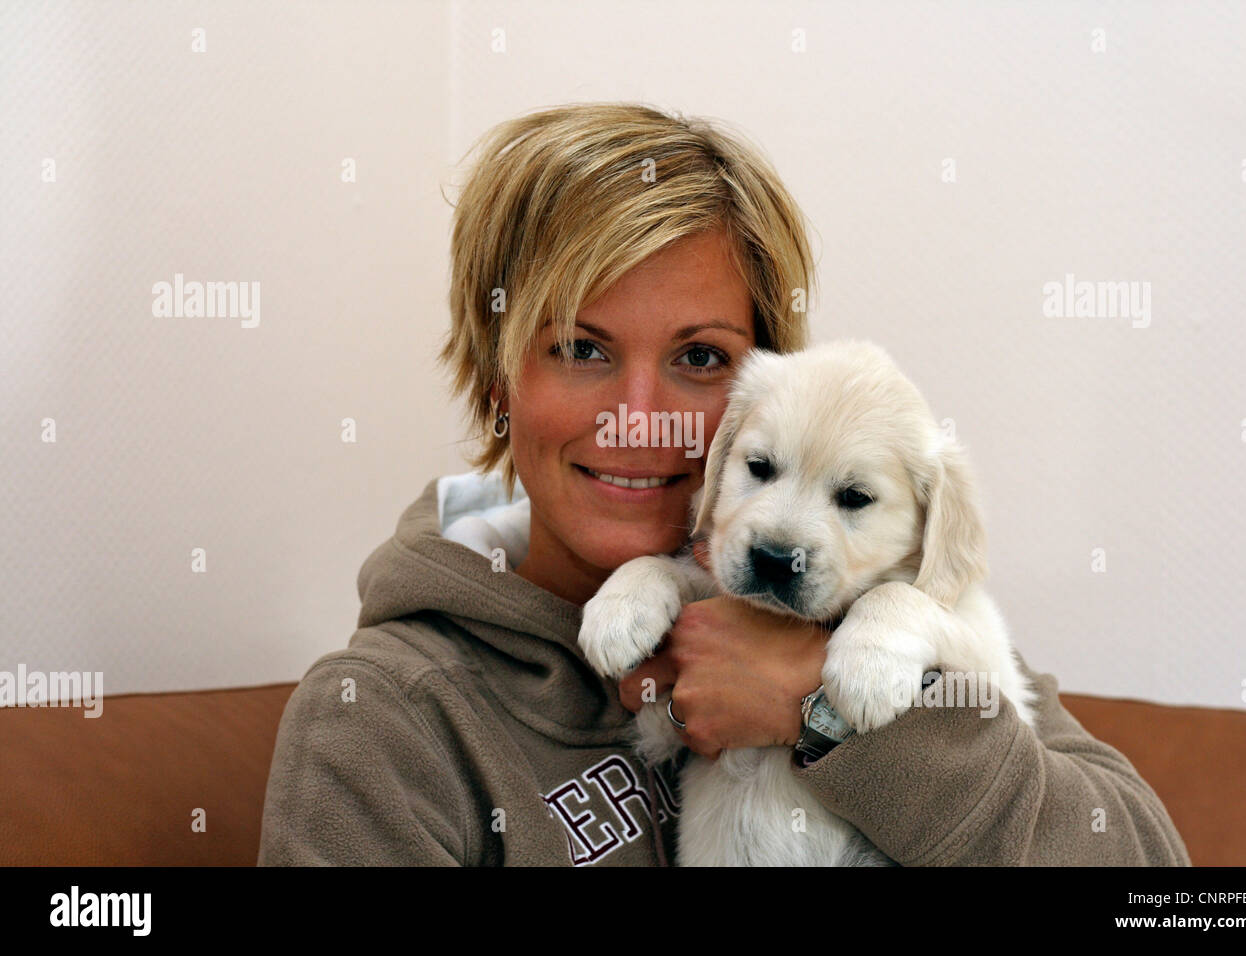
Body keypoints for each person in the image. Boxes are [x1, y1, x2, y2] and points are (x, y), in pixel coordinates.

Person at [257, 102, 1191, 866]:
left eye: (699, 356)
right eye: (579, 348)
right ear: (501, 384)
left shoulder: (888, 615)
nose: (639, 415)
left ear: (768, 389)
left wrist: (824, 714)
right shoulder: (387, 719)